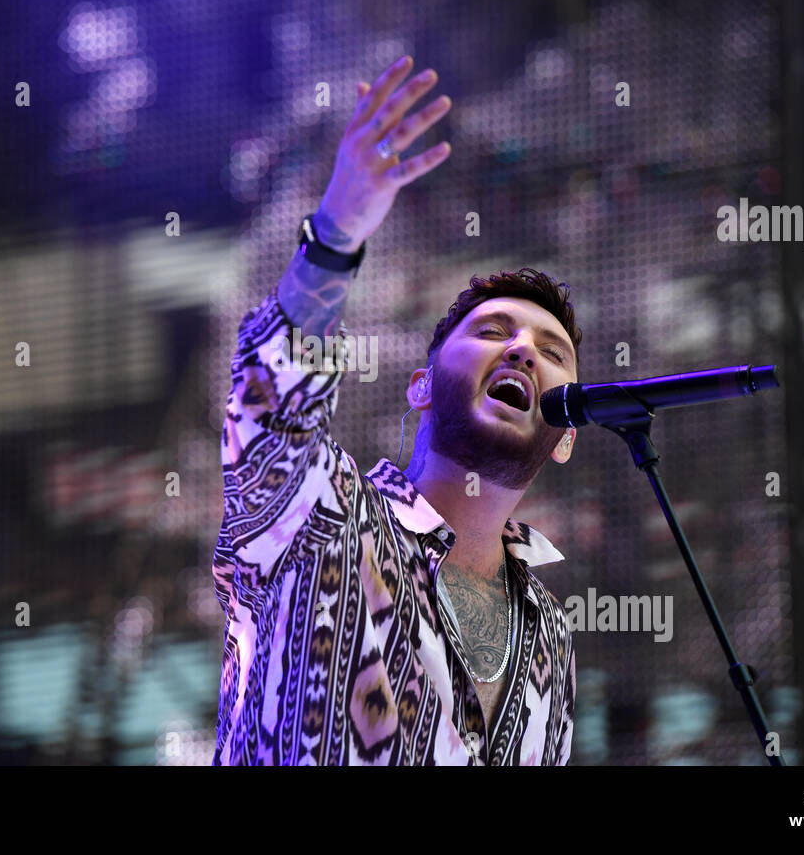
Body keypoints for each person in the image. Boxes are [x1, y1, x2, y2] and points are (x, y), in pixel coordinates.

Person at [213, 55, 581, 765]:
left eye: (552, 351)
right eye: (494, 332)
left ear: (565, 436)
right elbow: (268, 417)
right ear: (420, 385)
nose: (524, 353)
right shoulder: (324, 519)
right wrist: (336, 235)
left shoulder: (552, 634)